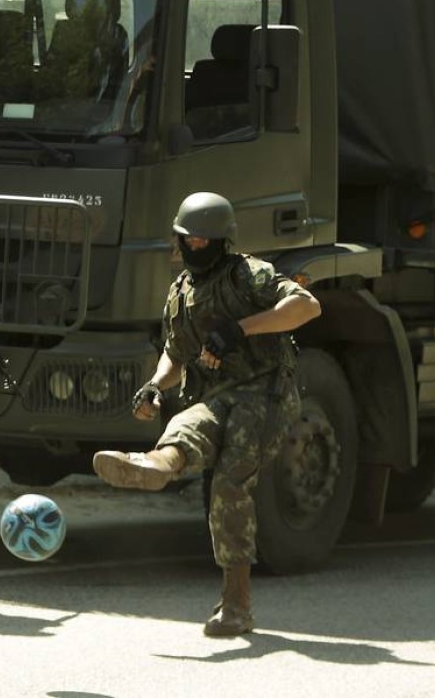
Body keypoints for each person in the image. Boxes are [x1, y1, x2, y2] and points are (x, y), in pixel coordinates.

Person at [92, 192, 322, 637]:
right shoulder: (181, 292)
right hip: (216, 396)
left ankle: (236, 606)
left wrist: (238, 330)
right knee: (183, 425)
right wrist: (155, 386)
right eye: (188, 239)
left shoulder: (249, 275)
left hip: (266, 394)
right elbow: (175, 354)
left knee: (229, 483)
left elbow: (306, 307)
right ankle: (152, 467)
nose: (194, 246)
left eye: (203, 240)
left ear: (222, 240)